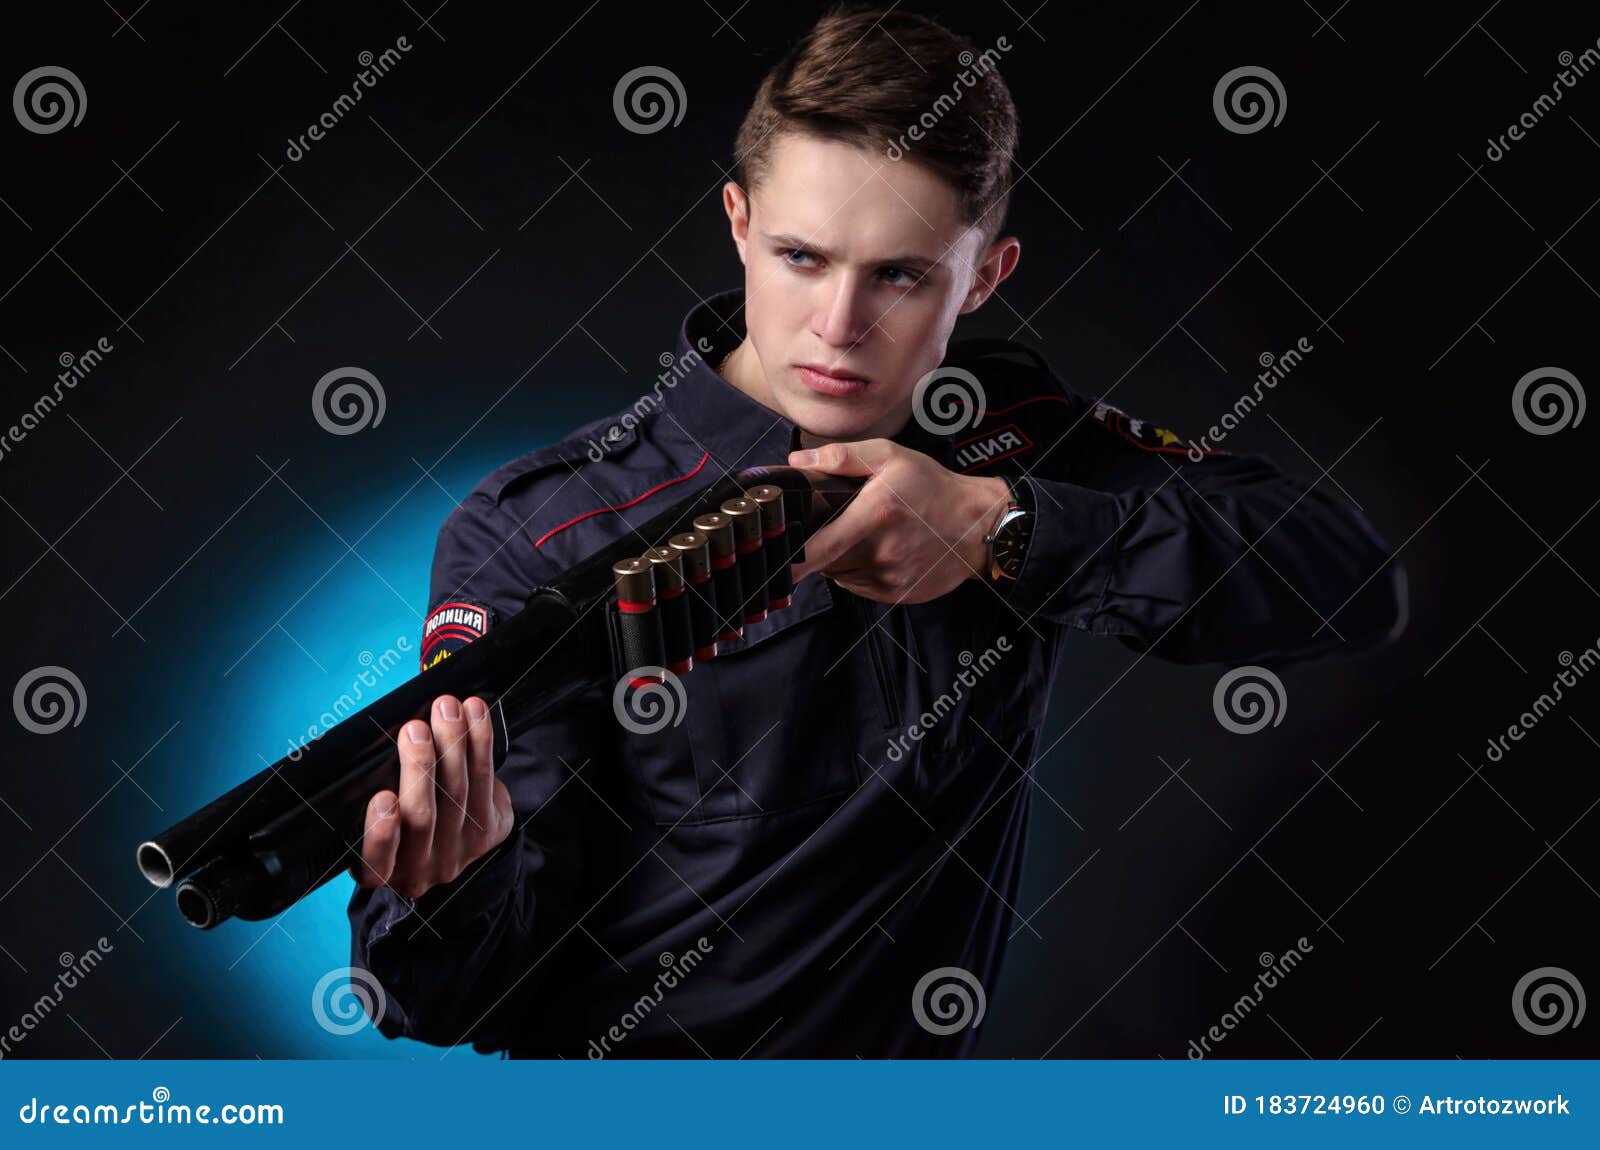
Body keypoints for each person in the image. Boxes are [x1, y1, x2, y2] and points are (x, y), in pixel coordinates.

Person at [347, 6, 1407, 1058]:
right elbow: (434, 1002)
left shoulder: (1014, 442)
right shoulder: (544, 527)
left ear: (985, 275)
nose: (839, 325)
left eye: (899, 275)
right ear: (737, 223)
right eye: (802, 257)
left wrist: (1004, 525)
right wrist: (457, 886)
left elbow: (1349, 585)